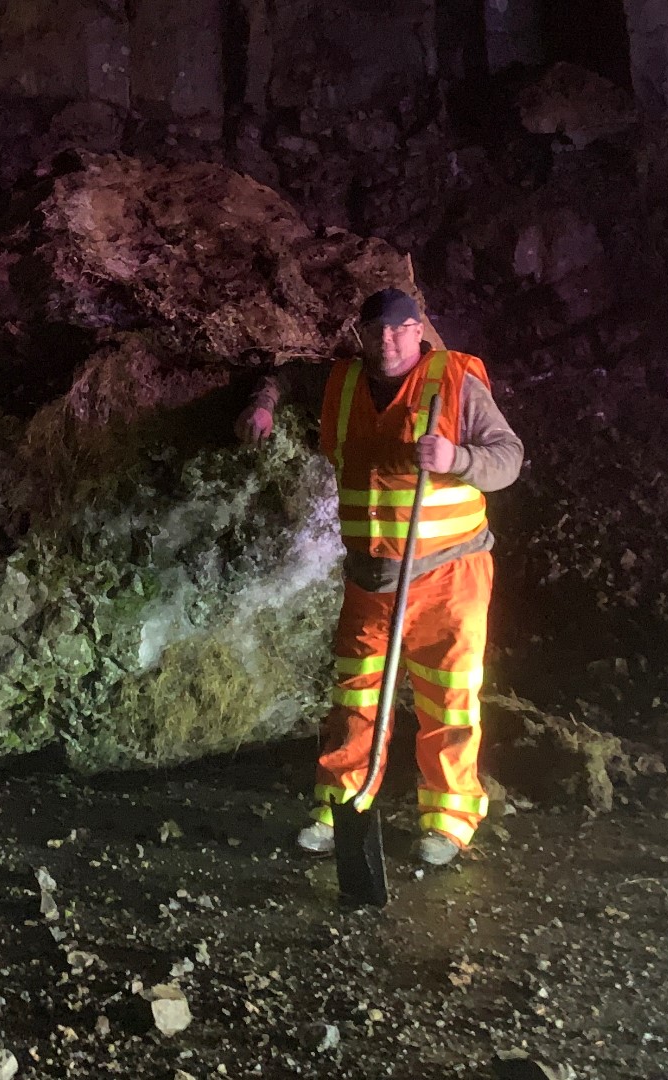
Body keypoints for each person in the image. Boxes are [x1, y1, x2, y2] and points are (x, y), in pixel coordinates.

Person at [236, 287, 524, 867]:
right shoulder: (341, 382)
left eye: (398, 330)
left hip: (448, 572)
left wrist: (455, 460)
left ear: (419, 331)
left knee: (448, 700)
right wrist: (263, 403)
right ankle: (344, 803)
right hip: (372, 575)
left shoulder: (455, 383)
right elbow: (286, 377)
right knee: (356, 693)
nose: (387, 342)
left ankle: (448, 820)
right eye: (376, 332)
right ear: (362, 335)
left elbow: (508, 457)